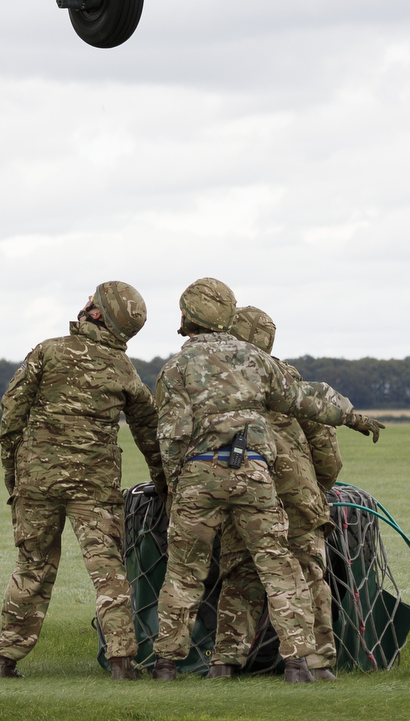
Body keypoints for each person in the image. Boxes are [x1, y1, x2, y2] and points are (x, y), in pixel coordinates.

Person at [145, 278, 385, 684]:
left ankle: (167, 664)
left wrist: (174, 486)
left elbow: (170, 435)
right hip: (253, 473)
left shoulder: (175, 368)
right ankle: (299, 664)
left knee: (186, 571)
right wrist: (352, 416)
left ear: (188, 316)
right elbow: (304, 398)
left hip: (198, 474)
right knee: (280, 567)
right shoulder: (258, 362)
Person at [0, 281, 166, 680]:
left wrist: (14, 474)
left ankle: (6, 660)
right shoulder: (124, 369)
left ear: (97, 313)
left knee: (32, 566)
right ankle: (122, 663)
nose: (85, 303)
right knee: (108, 571)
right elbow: (149, 432)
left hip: (37, 481)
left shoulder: (47, 351)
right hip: (95, 485)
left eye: (92, 301)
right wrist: (163, 484)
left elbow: (12, 415)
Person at [205, 306, 356, 673]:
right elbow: (325, 447)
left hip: (240, 490)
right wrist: (319, 486)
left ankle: (225, 663)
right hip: (297, 494)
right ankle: (314, 664)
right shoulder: (288, 380)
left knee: (241, 577)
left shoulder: (211, 379)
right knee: (307, 577)